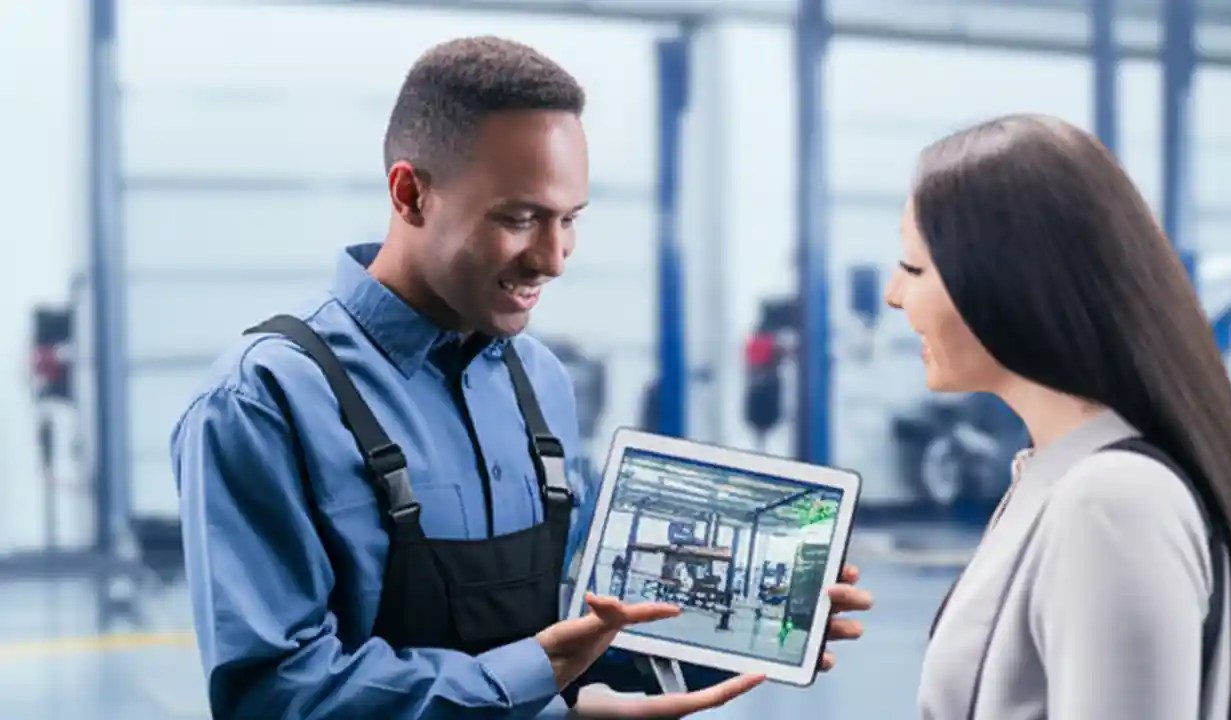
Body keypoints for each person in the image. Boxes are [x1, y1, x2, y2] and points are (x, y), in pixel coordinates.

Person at [170, 36, 872, 720]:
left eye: (569, 219)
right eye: (520, 218)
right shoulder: (264, 400)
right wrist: (536, 673)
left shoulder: (539, 381)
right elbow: (276, 695)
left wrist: (748, 626)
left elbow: (570, 630)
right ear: (411, 195)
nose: (554, 258)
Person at [883, 113, 1231, 719]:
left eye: (913, 268)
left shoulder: (1110, 499)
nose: (894, 294)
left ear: (1006, 279)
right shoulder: (1055, 475)